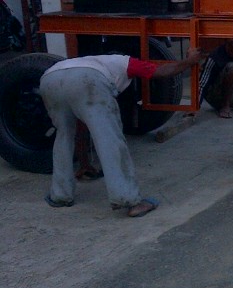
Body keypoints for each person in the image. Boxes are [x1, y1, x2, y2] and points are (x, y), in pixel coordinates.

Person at [40, 46, 205, 217]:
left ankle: (60, 195)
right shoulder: (124, 62)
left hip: (50, 79)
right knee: (110, 139)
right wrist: (189, 61)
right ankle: (130, 201)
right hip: (87, 81)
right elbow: (161, 71)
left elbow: (81, 127)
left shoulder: (89, 60)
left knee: (64, 135)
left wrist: (85, 163)